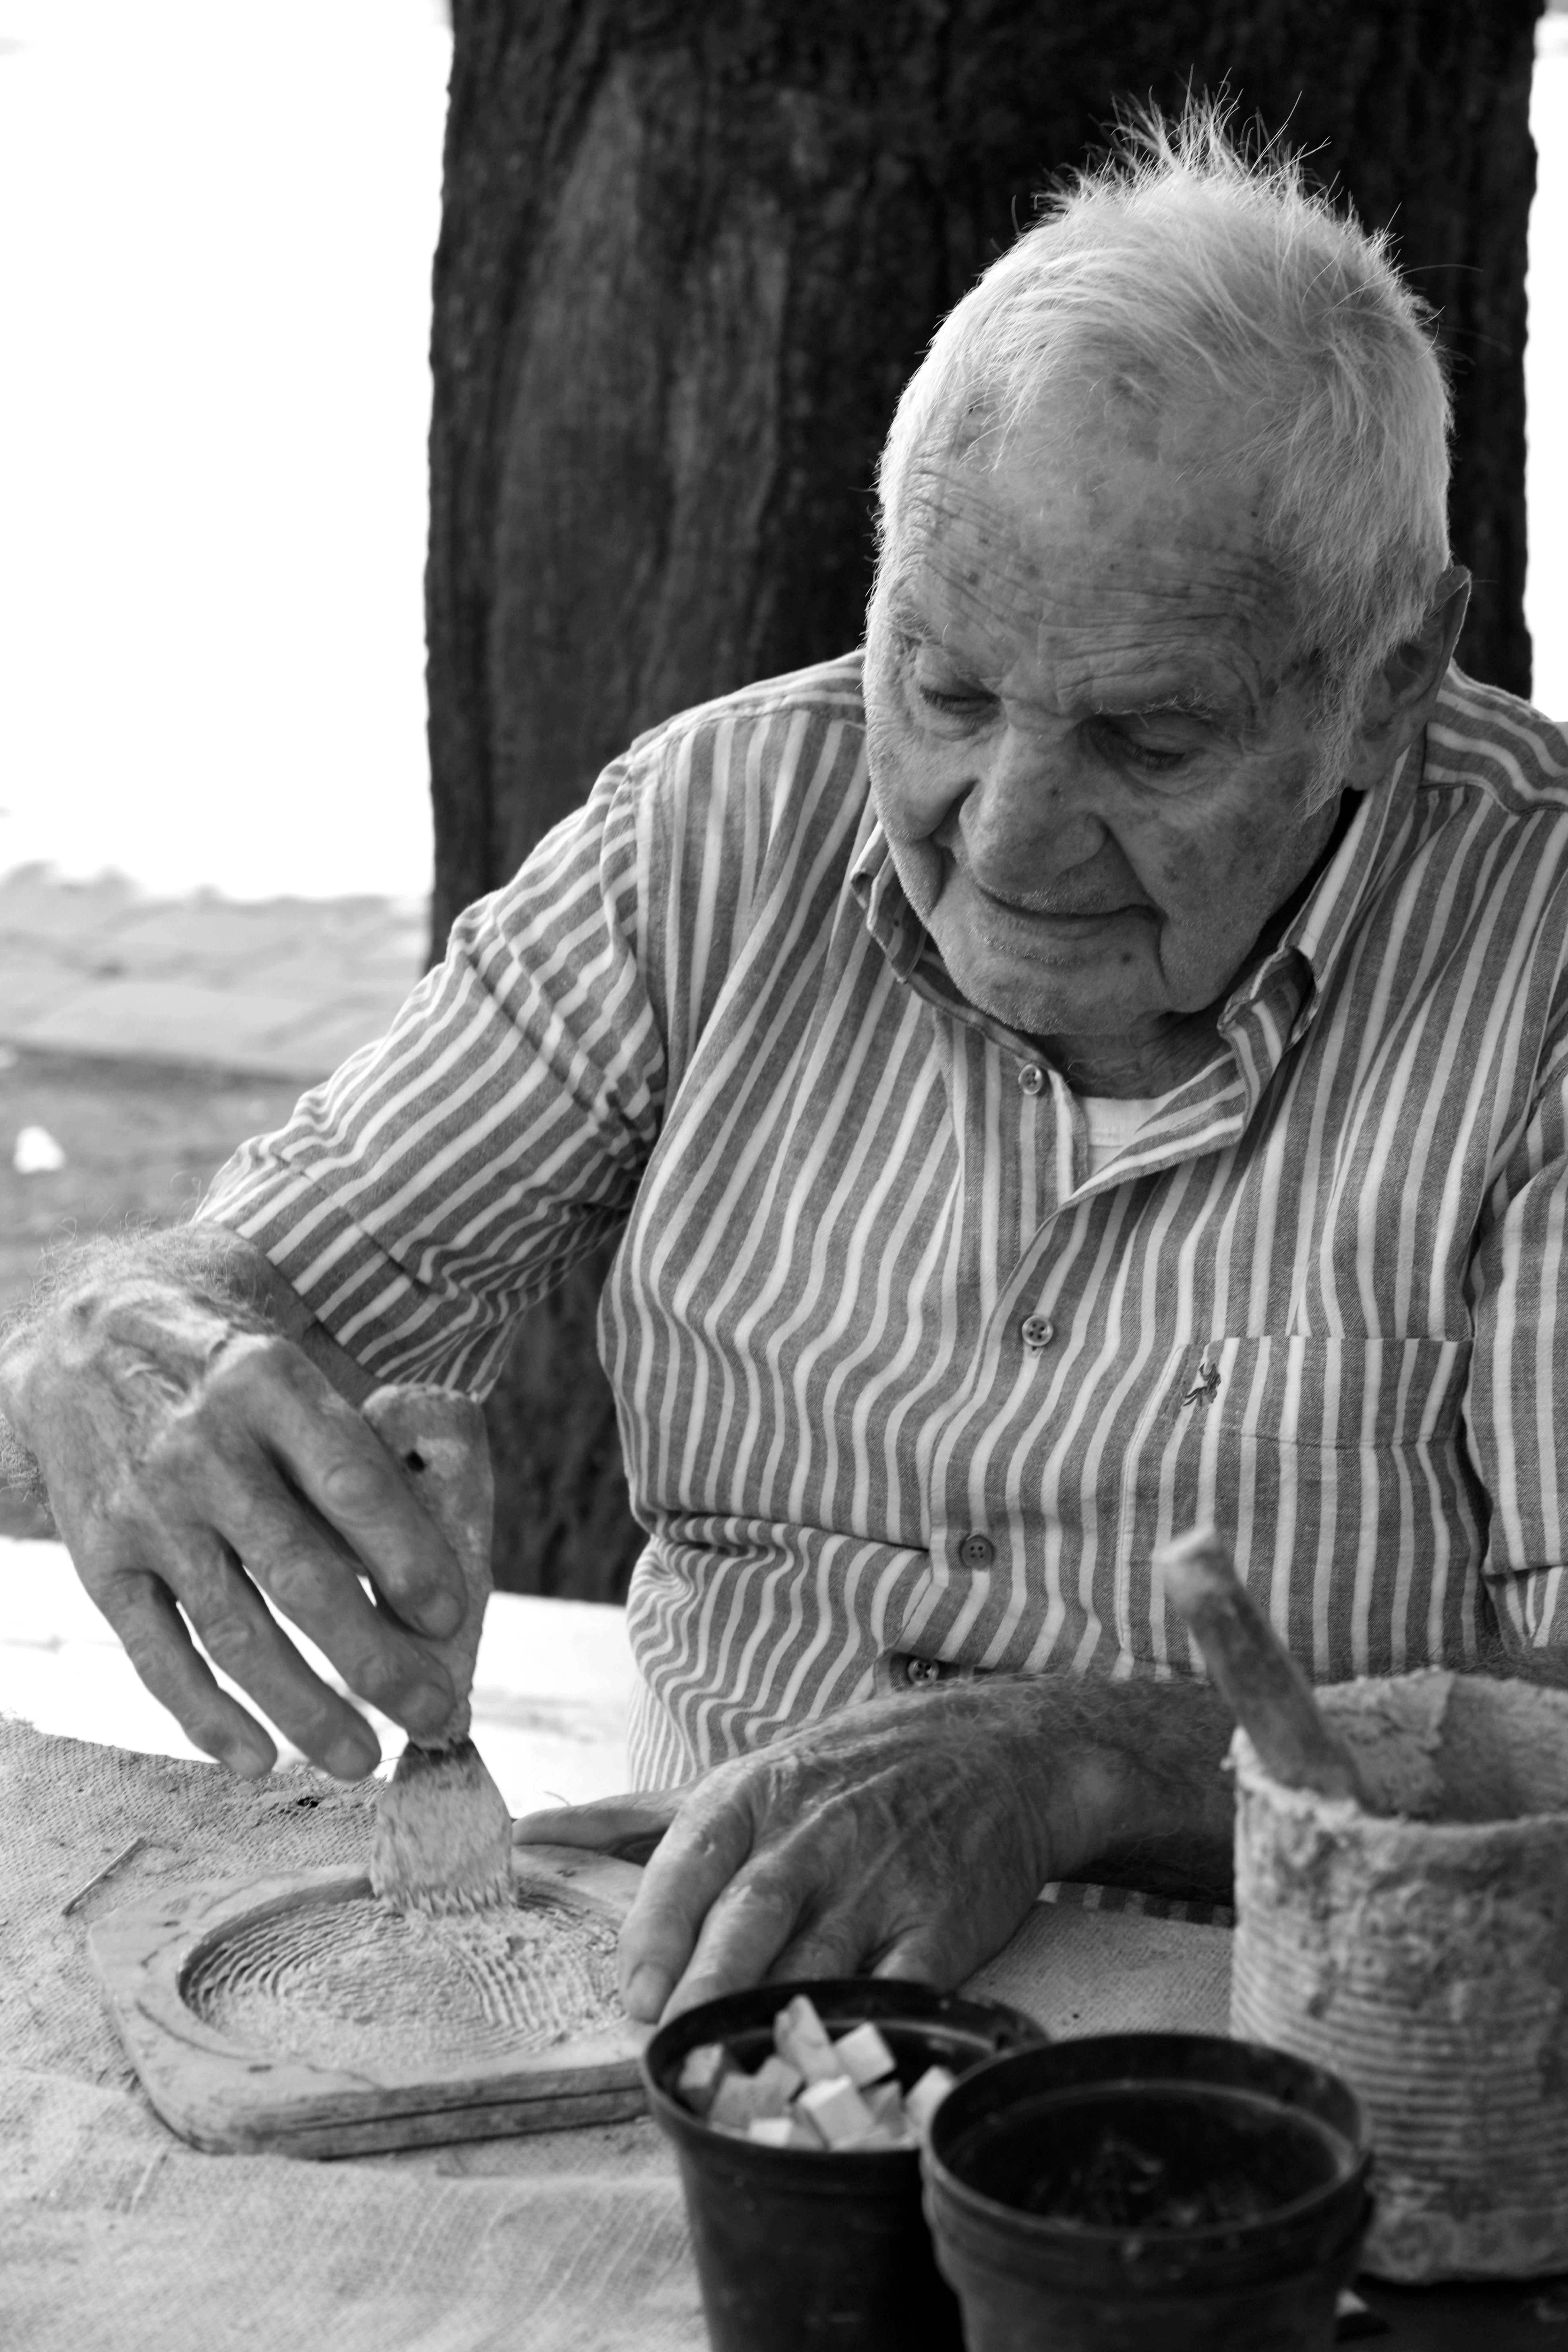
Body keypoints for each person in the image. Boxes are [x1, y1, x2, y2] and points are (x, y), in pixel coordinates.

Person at [4, 108, 1566, 2024]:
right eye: (947, 687)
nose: (1006, 833)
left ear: (1387, 683)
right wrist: (108, 1345)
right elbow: (249, 1306)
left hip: (1315, 2034)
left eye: (1147, 742)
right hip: (693, 1994)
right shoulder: (714, 823)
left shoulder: (1542, 950)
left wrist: (1083, 1759)